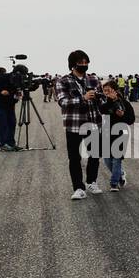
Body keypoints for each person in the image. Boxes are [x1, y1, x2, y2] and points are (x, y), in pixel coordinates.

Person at [54, 49, 104, 199]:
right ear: (72, 64)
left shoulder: (94, 79)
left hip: (94, 122)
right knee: (74, 157)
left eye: (86, 62)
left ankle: (91, 181)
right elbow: (63, 102)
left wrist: (99, 97)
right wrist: (83, 98)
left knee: (95, 155)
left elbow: (102, 99)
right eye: (80, 62)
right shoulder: (63, 81)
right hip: (74, 125)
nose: (84, 65)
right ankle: (78, 187)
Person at [99, 80, 134, 192]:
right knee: (107, 160)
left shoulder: (125, 103)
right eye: (104, 91)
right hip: (106, 133)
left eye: (108, 90)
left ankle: (114, 183)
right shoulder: (105, 103)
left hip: (120, 134)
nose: (106, 93)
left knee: (116, 159)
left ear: (115, 90)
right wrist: (110, 100)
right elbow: (102, 110)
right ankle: (121, 174)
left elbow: (131, 120)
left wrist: (123, 115)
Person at [0, 66, 18, 151]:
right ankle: (3, 144)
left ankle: (11, 143)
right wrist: (1, 90)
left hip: (9, 104)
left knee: (12, 123)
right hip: (0, 105)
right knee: (3, 123)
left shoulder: (8, 80)